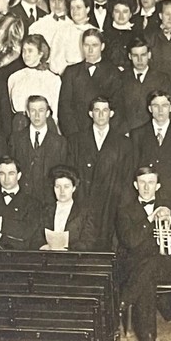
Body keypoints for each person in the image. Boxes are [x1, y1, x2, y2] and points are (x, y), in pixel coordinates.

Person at [116, 166, 171, 341]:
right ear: (135, 185)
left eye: (151, 183)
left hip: (167, 263)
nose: (146, 187)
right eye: (142, 183)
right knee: (147, 277)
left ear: (158, 186)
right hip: (139, 265)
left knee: (150, 267)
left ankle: (124, 300)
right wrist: (149, 217)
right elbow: (130, 240)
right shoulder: (125, 211)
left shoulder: (170, 206)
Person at [68, 96, 131, 250]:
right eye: (97, 110)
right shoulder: (76, 141)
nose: (101, 114)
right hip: (84, 204)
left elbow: (127, 177)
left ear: (111, 113)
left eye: (105, 110)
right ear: (90, 114)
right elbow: (71, 176)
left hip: (111, 206)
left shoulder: (124, 143)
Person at [129, 90, 171, 214]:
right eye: (155, 106)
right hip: (146, 194)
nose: (160, 110)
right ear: (149, 108)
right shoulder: (137, 134)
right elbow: (134, 166)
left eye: (164, 105)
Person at [58, 28, 123, 138]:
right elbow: (64, 108)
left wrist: (106, 134)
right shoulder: (71, 72)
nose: (90, 50)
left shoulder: (113, 72)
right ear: (82, 46)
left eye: (95, 45)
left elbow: (118, 106)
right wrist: (74, 135)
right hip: (77, 135)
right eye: (86, 45)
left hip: (104, 135)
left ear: (102, 47)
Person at [8, 95, 69, 202]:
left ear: (48, 113)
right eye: (32, 110)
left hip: (48, 202)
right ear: (27, 113)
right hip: (22, 201)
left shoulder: (60, 142)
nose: (37, 115)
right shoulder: (16, 139)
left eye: (41, 110)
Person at [0, 157, 43, 250]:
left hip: (20, 259)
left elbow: (27, 231)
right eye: (2, 174)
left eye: (11, 174)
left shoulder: (33, 204)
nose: (6, 179)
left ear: (19, 175)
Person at [6, 35, 62, 131]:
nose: (26, 54)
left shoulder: (52, 79)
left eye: (30, 51)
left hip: (44, 126)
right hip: (19, 125)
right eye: (24, 51)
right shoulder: (14, 77)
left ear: (40, 53)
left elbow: (56, 113)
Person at [117, 38, 171, 134]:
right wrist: (124, 131)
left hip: (152, 134)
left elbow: (167, 109)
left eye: (143, 55)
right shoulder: (121, 78)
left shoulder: (162, 78)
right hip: (127, 133)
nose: (139, 60)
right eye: (135, 55)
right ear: (129, 56)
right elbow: (117, 108)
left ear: (149, 55)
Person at [29, 0, 83, 76]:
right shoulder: (38, 26)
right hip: (44, 75)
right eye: (53, 0)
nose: (57, 4)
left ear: (66, 1)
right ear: (48, 1)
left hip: (70, 75)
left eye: (60, 0)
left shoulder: (75, 25)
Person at [37, 166, 95, 251]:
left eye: (66, 186)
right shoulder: (45, 210)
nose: (62, 191)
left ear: (74, 188)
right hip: (48, 259)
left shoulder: (84, 212)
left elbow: (88, 242)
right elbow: (36, 237)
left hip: (73, 261)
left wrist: (68, 249)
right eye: (57, 187)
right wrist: (43, 246)